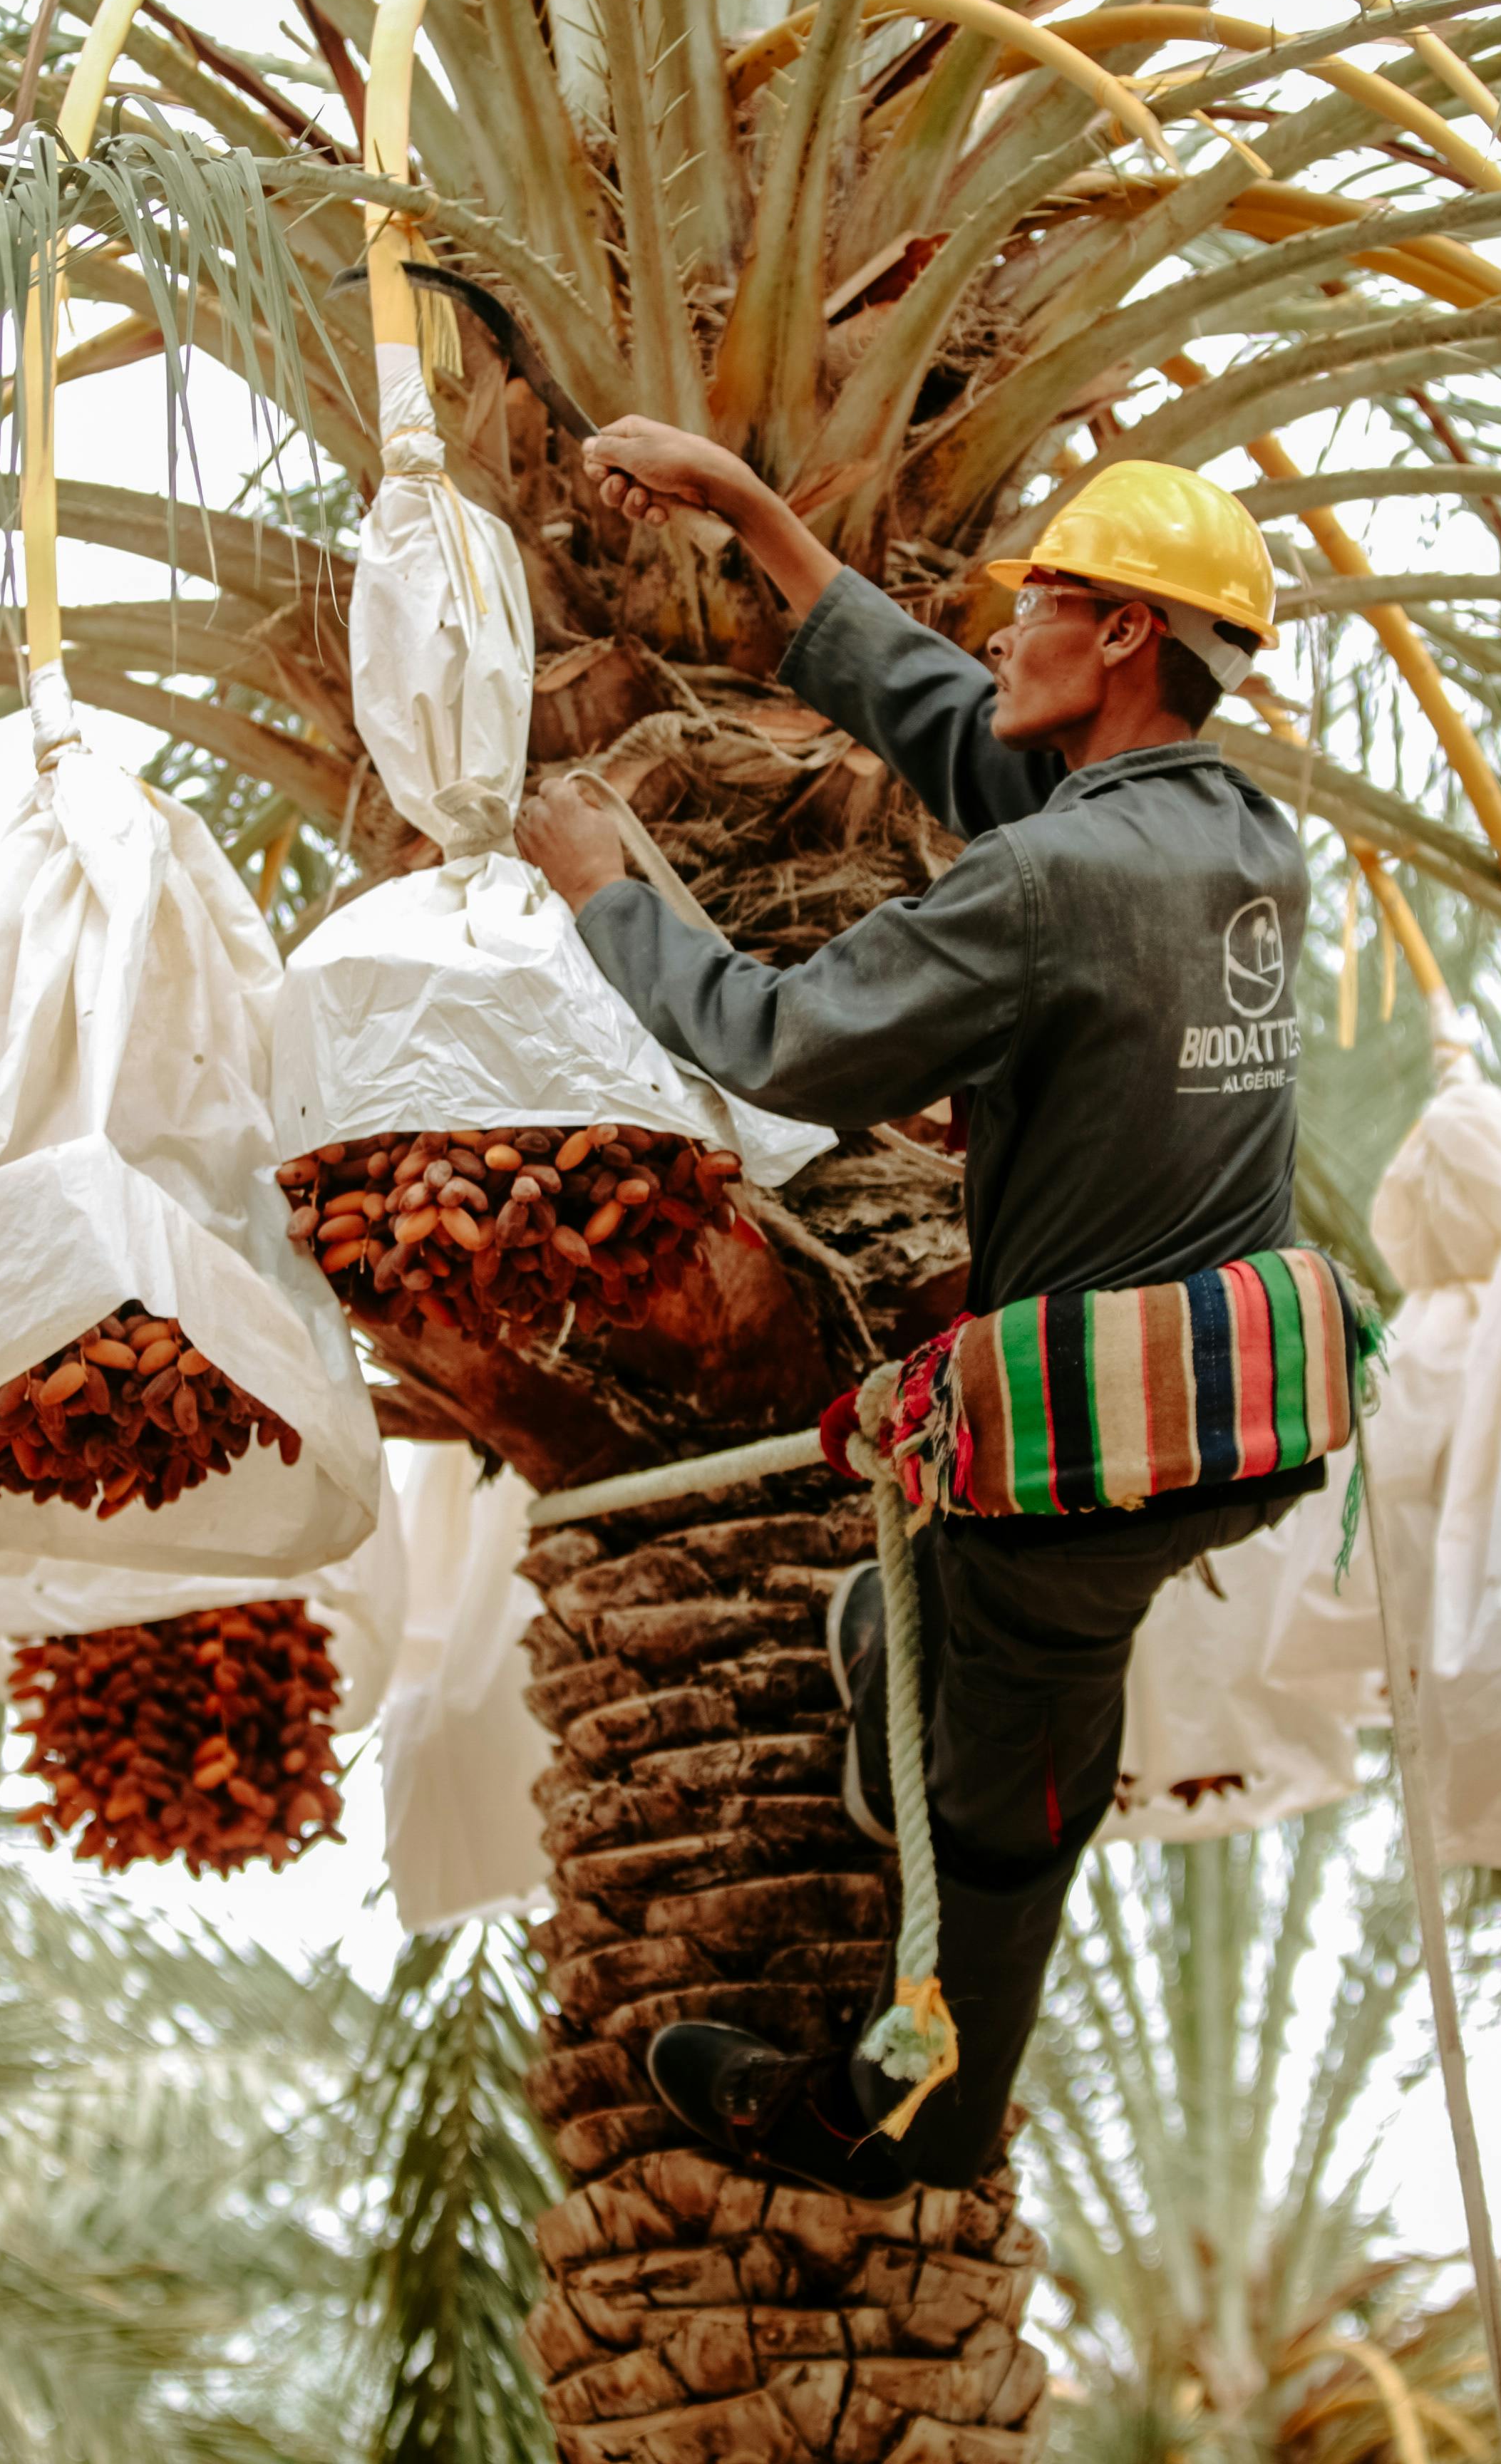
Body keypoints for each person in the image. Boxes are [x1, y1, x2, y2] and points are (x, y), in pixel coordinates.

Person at [513, 418, 1321, 2203]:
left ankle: (911, 2123)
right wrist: (749, 517)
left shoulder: (1044, 886)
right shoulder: (1238, 841)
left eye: (1040, 602)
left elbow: (783, 1045)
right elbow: (962, 733)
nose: (1004, 628)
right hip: (1222, 1411)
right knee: (967, 1643)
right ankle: (914, 1654)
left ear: (1121, 637)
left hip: (1091, 1471)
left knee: (1002, 1799)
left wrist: (603, 897)